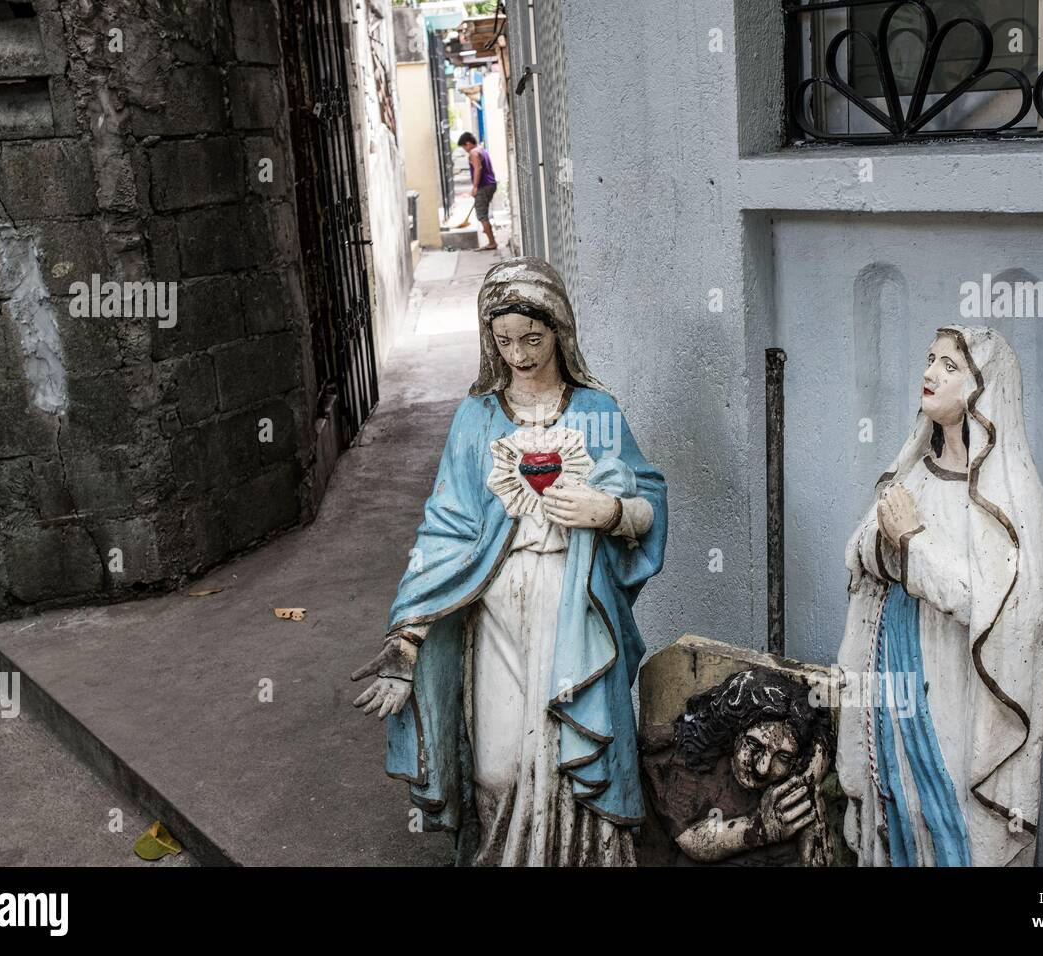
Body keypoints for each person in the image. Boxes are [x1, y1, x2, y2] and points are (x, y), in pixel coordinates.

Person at [351, 257, 668, 866]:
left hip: (576, 606)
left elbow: (648, 500)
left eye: (533, 338)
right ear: (488, 340)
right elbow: (445, 528)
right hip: (494, 609)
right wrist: (408, 636)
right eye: (504, 341)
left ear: (559, 332)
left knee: (571, 754)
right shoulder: (476, 419)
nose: (520, 355)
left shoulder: (597, 412)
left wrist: (609, 512)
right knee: (497, 768)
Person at [836, 326, 1043, 867]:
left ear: (985, 388)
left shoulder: (1011, 495)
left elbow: (1002, 607)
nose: (929, 373)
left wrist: (914, 544)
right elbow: (858, 554)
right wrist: (891, 543)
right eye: (929, 359)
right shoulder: (914, 472)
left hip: (960, 689)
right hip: (897, 674)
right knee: (899, 807)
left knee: (951, 814)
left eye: (949, 366)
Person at [644, 668, 834, 866]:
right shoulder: (690, 764)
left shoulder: (791, 782)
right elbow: (692, 841)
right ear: (733, 731)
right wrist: (759, 828)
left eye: (783, 757)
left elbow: (821, 731)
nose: (763, 767)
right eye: (754, 745)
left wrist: (810, 778)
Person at [458, 131, 499, 251]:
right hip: (491, 184)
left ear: (468, 143)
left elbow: (478, 168)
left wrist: (475, 187)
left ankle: (492, 242)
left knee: (482, 215)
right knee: (483, 212)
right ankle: (490, 238)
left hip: (483, 186)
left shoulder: (474, 152)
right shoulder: (482, 150)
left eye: (464, 146)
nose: (465, 149)